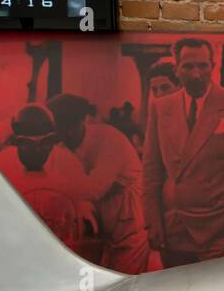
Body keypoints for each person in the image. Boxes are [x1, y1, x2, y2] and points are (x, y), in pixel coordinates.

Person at [142, 38, 224, 268]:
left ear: (213, 67)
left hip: (219, 229)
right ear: (177, 69)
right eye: (188, 66)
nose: (196, 74)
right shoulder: (160, 108)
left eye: (203, 66)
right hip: (173, 227)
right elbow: (152, 172)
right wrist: (153, 223)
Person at [47, 93, 149, 274]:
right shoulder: (63, 146)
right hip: (104, 231)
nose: (66, 135)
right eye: (61, 131)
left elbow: (94, 189)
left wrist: (60, 188)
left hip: (130, 224)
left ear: (81, 122)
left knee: (127, 285)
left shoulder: (108, 139)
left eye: (69, 129)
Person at [0, 105, 114, 253]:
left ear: (52, 140)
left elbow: (85, 204)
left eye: (44, 143)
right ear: (16, 142)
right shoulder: (1, 165)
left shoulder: (67, 163)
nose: (37, 150)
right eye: (28, 144)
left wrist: (86, 220)